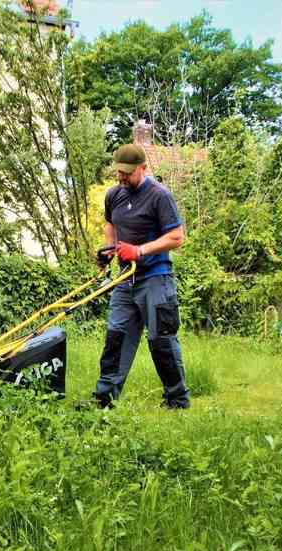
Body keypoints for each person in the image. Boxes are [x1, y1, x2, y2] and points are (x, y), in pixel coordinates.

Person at [94, 143, 190, 410]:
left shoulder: (160, 196)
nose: (123, 178)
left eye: (128, 173)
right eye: (119, 173)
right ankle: (105, 399)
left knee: (162, 340)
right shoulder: (114, 195)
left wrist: (139, 250)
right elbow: (111, 224)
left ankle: (177, 400)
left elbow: (177, 237)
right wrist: (109, 249)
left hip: (156, 279)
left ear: (143, 168)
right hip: (125, 280)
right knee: (116, 337)